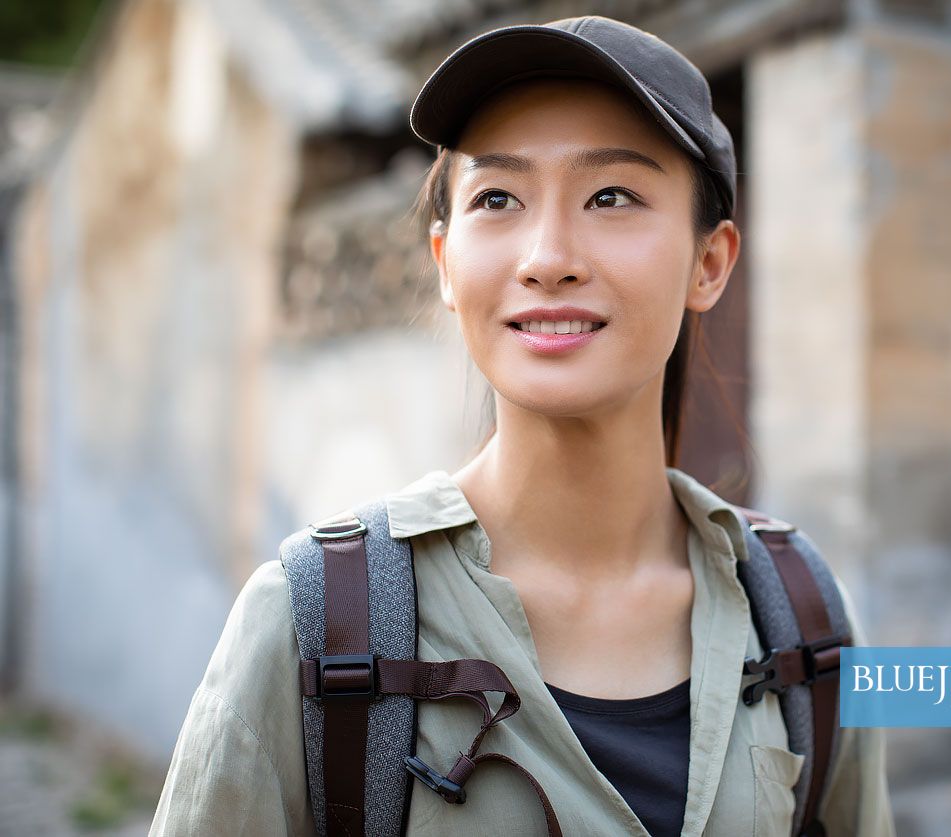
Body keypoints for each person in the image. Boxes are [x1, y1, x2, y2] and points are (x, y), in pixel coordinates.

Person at [150, 14, 894, 837]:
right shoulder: (311, 623)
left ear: (709, 262)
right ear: (444, 262)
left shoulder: (800, 617)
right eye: (496, 198)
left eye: (611, 195)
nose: (546, 256)